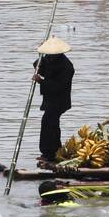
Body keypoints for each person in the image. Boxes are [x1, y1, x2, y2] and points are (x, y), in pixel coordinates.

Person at [34, 37, 74, 165]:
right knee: (51, 124)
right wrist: (40, 54)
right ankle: (54, 152)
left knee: (49, 123)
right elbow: (39, 67)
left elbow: (58, 86)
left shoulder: (67, 66)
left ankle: (50, 154)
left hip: (59, 100)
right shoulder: (50, 58)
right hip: (50, 99)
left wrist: (41, 81)